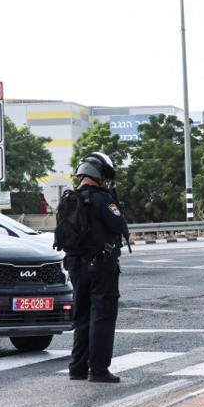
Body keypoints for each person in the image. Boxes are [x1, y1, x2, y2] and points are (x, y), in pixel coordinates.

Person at [63, 153, 129, 383]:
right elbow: (120, 225)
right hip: (101, 266)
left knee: (82, 316)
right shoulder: (104, 200)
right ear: (99, 174)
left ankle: (77, 368)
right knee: (102, 315)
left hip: (75, 266)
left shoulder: (69, 199)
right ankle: (99, 369)